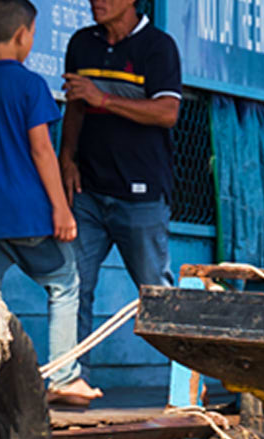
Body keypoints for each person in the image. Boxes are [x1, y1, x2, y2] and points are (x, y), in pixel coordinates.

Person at [0, 0, 98, 406]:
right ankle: (66, 376)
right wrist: (61, 208)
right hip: (27, 216)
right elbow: (42, 150)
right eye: (32, 34)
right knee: (65, 283)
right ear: (22, 35)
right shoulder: (30, 85)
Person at [59, 0, 181, 373]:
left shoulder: (158, 46)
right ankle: (70, 381)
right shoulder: (81, 43)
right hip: (88, 193)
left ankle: (187, 383)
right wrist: (66, 158)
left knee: (157, 295)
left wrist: (105, 99)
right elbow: (76, 108)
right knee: (73, 289)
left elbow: (167, 112)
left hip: (141, 195)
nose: (97, 1)